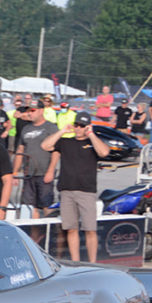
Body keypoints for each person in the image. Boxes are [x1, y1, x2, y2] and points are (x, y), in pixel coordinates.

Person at [41, 111, 110, 263]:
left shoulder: (92, 143)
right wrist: (62, 131)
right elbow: (45, 145)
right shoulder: (66, 142)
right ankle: (75, 262)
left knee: (90, 229)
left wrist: (91, 134)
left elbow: (104, 152)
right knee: (71, 228)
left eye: (82, 126)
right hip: (67, 190)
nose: (78, 128)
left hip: (86, 191)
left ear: (88, 127)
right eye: (76, 125)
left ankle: (92, 263)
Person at [12, 102, 59, 218]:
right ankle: (34, 229)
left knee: (46, 205)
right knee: (29, 207)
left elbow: (56, 151)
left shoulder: (51, 127)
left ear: (41, 111)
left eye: (33, 111)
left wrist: (51, 171)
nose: (29, 113)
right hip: (29, 174)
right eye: (28, 111)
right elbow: (20, 150)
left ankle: (50, 228)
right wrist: (15, 172)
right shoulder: (26, 128)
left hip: (44, 173)